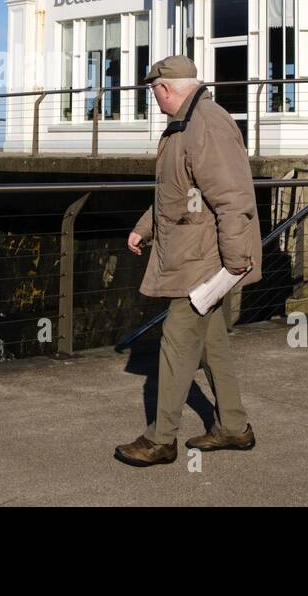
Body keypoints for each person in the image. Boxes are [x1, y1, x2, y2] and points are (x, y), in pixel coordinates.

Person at [114, 55, 264, 467]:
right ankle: (233, 428)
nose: (153, 99)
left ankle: (160, 439)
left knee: (177, 343)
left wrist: (234, 263)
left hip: (206, 259)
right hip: (198, 253)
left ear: (165, 89)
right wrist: (144, 228)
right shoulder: (188, 123)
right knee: (212, 344)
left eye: (153, 92)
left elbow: (233, 199)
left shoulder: (205, 125)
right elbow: (176, 192)